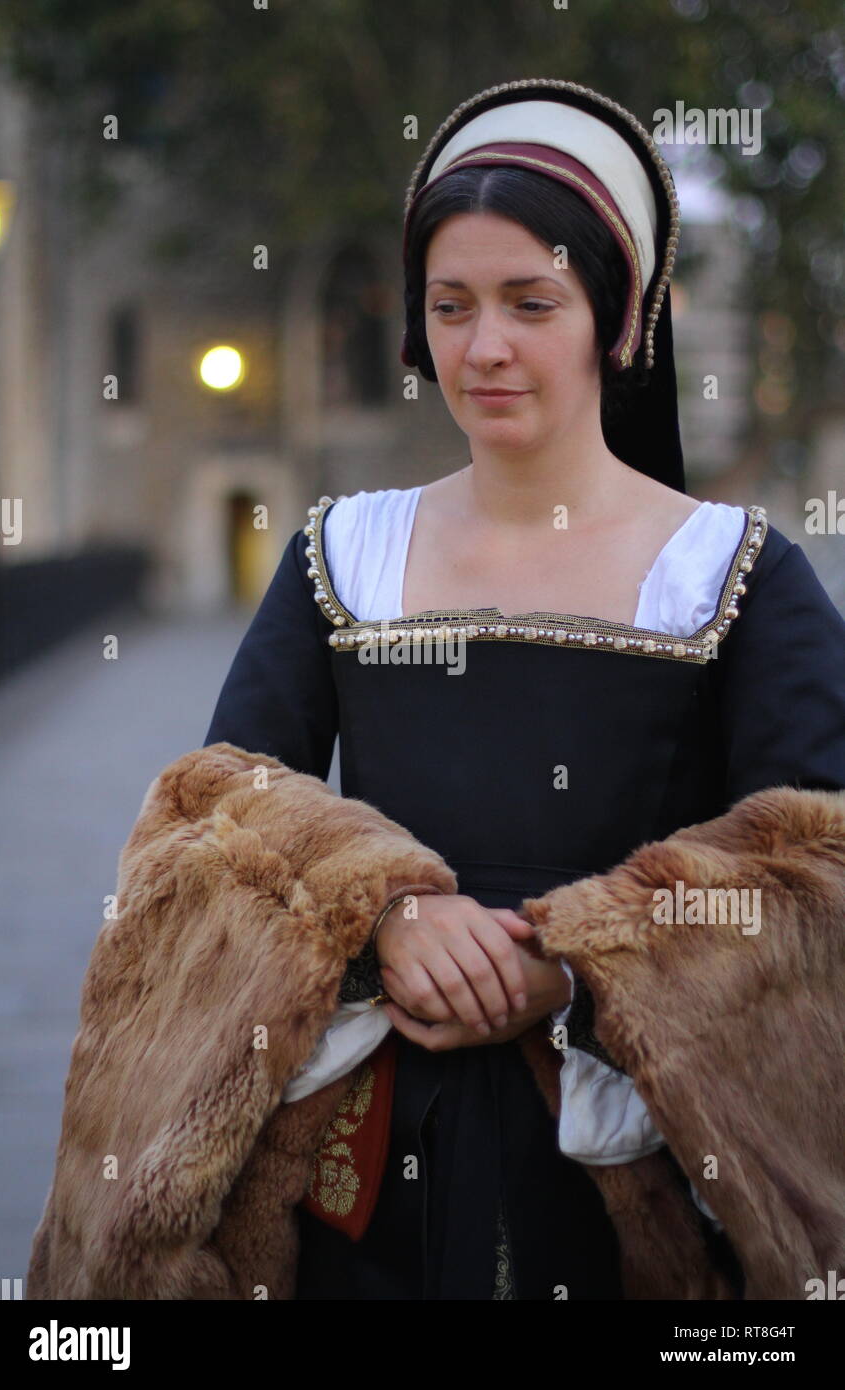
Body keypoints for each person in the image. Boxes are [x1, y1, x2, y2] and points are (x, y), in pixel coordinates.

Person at [203, 78, 845, 1300]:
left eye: (528, 302)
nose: (482, 345)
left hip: (644, 1177)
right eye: (450, 306)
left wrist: (574, 965)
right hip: (363, 1167)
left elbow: (811, 876)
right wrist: (383, 913)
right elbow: (223, 814)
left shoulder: (735, 574)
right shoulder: (344, 552)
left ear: (615, 320)